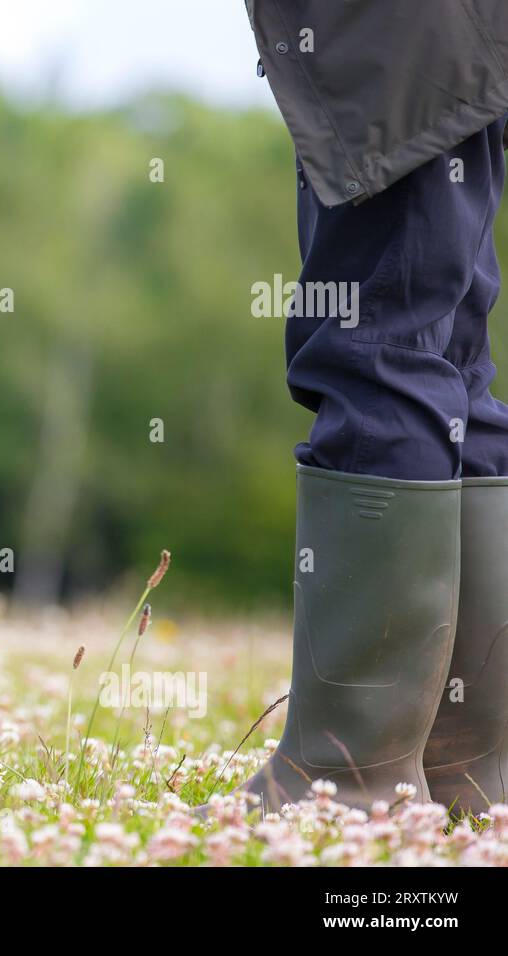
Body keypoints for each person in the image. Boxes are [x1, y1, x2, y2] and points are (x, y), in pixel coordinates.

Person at [240, 0, 508, 814]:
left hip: (398, 43)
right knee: (449, 356)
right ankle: (466, 769)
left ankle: (347, 779)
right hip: (447, 43)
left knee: (375, 347)